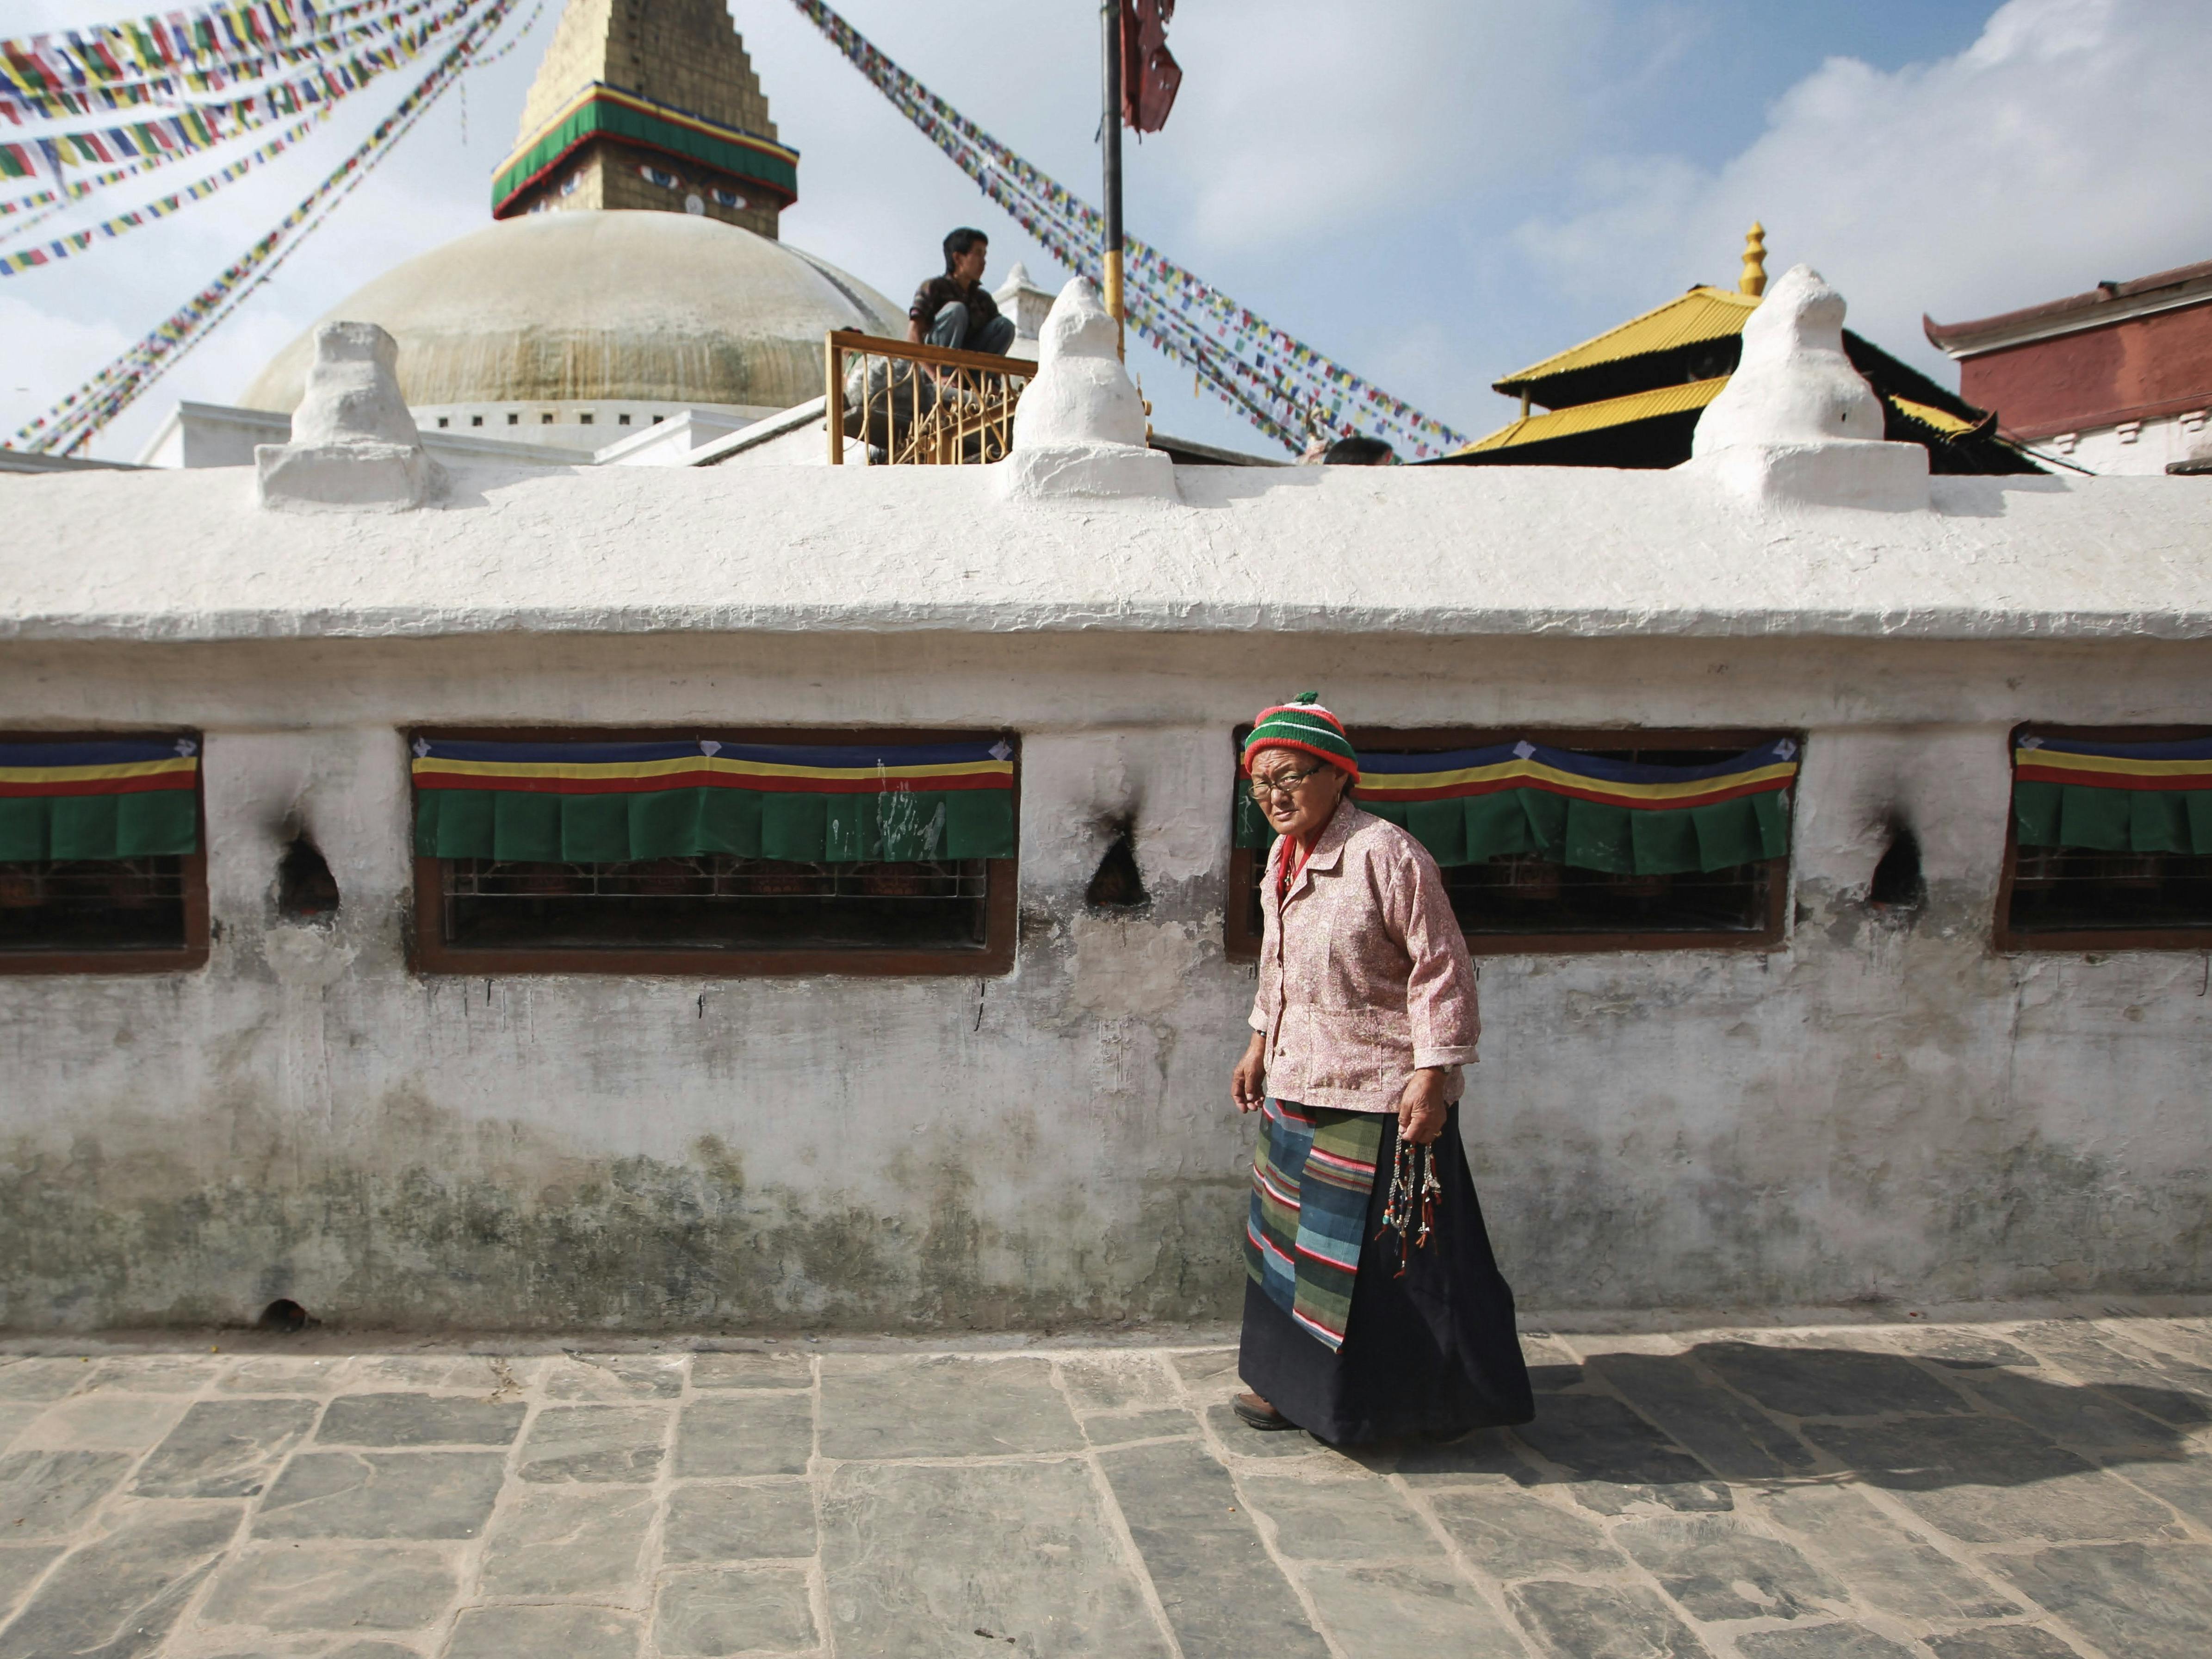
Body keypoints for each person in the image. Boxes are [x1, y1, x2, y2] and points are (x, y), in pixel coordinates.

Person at [1230, 694, 1533, 1443]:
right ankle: (1283, 1386)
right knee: (1287, 1250)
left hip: (1381, 1098)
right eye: (1262, 783)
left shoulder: (1387, 855)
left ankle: (1381, 1406)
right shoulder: (1279, 858)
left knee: (1372, 1267)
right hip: (1297, 1085)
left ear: (1338, 776)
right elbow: (1279, 965)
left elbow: (1443, 972)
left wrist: (1432, 1076)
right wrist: (1257, 1043)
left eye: (1293, 776)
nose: (1276, 796)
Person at [908, 227, 1016, 356]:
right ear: (958, 258)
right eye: (978, 254)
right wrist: (934, 374)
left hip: (967, 368)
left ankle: (977, 376)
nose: (984, 262)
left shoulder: (983, 300)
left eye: (984, 255)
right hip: (934, 366)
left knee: (1005, 326)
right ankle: (947, 372)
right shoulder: (934, 287)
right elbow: (913, 333)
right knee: (957, 310)